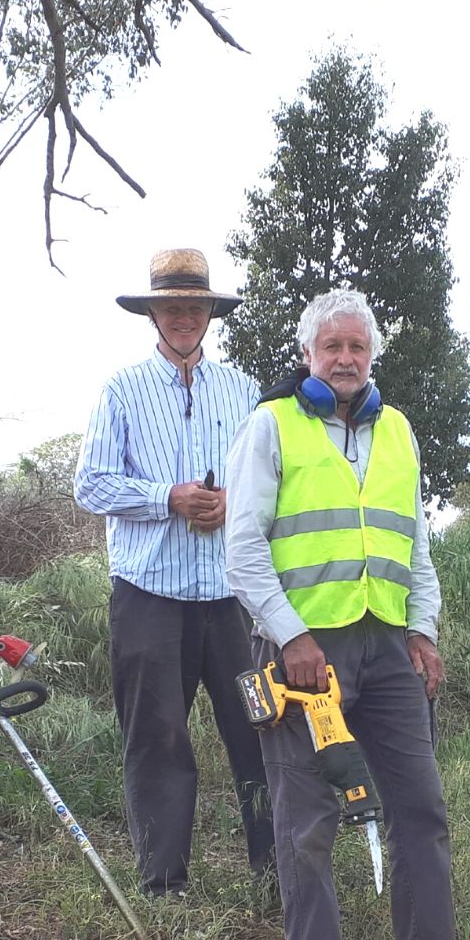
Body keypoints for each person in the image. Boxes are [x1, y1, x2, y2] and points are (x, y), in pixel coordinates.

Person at [224, 288, 463, 940]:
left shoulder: (398, 430)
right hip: (303, 655)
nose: (347, 358)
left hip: (388, 648)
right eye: (333, 347)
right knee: (306, 825)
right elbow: (241, 549)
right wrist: (291, 636)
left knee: (420, 809)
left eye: (358, 347)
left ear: (372, 356)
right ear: (308, 356)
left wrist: (423, 629)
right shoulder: (270, 427)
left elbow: (415, 543)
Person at [73, 248, 273, 899]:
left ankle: (276, 870)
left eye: (196, 306)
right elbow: (92, 485)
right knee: (156, 738)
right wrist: (169, 498)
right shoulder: (121, 390)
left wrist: (228, 506)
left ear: (210, 314)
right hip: (148, 598)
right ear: (153, 313)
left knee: (259, 726)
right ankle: (164, 882)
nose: (185, 317)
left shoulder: (242, 391)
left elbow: (265, 484)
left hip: (230, 599)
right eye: (172, 306)